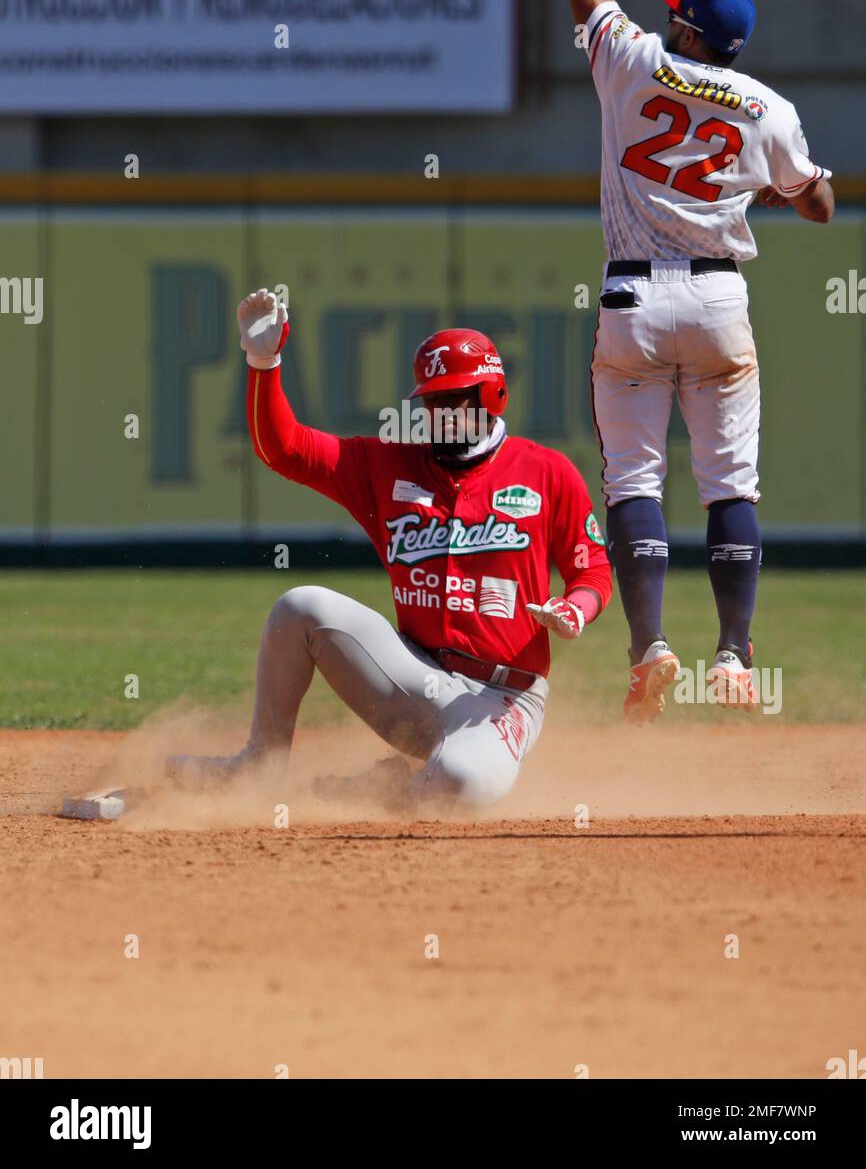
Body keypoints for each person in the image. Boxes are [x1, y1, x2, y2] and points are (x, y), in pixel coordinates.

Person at [542, 0, 834, 723]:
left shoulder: (632, 61)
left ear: (683, 28)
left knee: (633, 483)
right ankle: (737, 658)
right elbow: (820, 205)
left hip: (633, 297)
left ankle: (649, 650)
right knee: (728, 486)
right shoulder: (768, 108)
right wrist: (796, 190)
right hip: (717, 301)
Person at [168, 290, 611, 810]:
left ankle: (384, 791)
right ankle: (258, 768)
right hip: (412, 676)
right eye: (432, 400)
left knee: (461, 783)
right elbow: (284, 449)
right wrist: (264, 362)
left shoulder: (545, 471)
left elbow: (593, 569)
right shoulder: (386, 466)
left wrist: (574, 607)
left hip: (502, 699)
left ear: (492, 396)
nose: (441, 411)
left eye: (455, 399)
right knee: (300, 607)